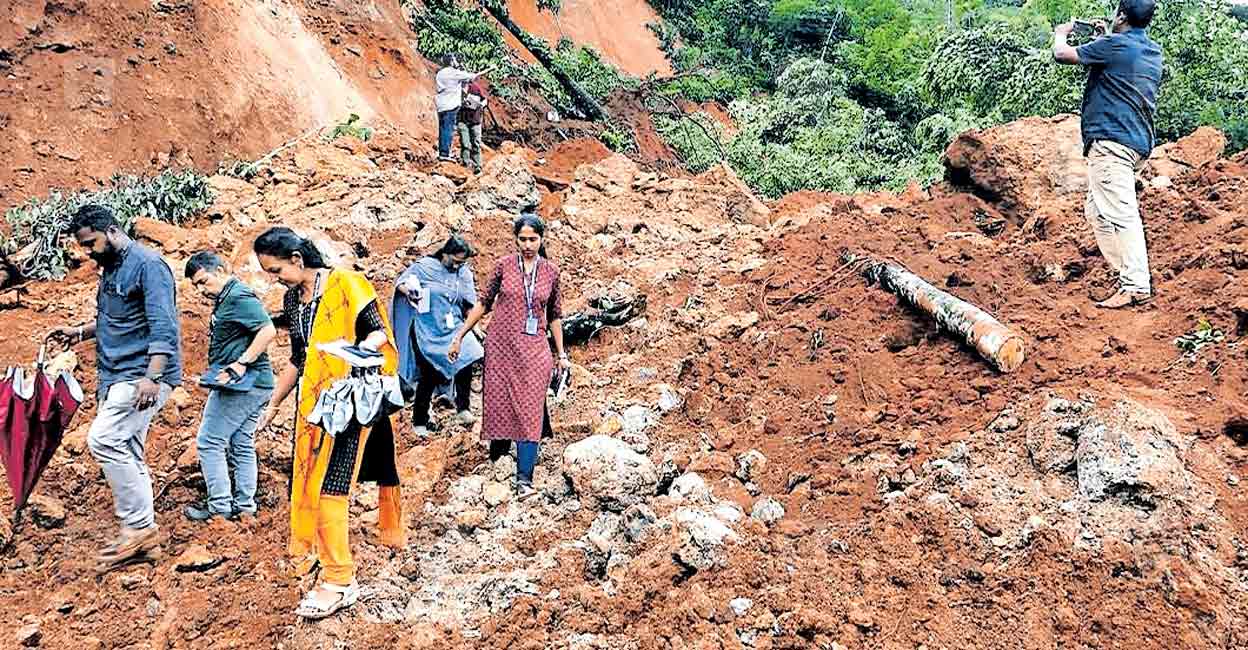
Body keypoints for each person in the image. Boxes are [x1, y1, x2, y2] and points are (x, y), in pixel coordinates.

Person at [251, 227, 404, 619]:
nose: (275, 278)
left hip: (350, 405)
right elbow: (299, 360)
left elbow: (379, 334)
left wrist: (360, 348)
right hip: (314, 410)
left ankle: (339, 580)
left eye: (276, 270)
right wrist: (272, 406)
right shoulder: (292, 299)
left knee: (329, 490)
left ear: (298, 260)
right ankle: (326, 561)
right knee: (308, 487)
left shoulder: (346, 284)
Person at [46, 204, 182, 567]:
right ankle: (145, 540)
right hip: (115, 374)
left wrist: (153, 377)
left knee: (103, 439)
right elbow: (114, 320)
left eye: (91, 244)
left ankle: (138, 529)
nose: (88, 253)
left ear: (112, 230)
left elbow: (164, 326)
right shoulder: (110, 269)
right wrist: (78, 333)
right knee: (128, 449)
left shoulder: (149, 266)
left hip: (140, 376)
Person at [449, 213, 570, 499]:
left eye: (533, 239)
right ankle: (498, 465)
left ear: (542, 239)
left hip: (535, 349)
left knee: (530, 407)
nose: (528, 245)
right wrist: (460, 335)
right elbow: (483, 303)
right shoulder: (503, 266)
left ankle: (524, 479)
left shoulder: (551, 272)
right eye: (523, 239)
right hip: (502, 346)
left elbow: (554, 316)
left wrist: (561, 354)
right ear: (515, 239)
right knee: (500, 402)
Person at [1053, 0, 1163, 309]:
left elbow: (1062, 54)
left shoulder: (1115, 45)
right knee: (1098, 211)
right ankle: (1127, 274)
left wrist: (1061, 34)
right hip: (1137, 142)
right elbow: (1119, 63)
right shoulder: (1151, 52)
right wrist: (1105, 38)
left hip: (1112, 142)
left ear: (1123, 16)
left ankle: (1136, 284)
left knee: (1121, 214)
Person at [183, 251, 277, 522]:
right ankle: (245, 506)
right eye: (196, 286)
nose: (201, 290)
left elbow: (268, 331)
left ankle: (220, 507)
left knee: (209, 441)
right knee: (241, 443)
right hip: (255, 384)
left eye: (203, 281)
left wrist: (240, 363)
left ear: (222, 270)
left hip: (244, 384)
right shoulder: (227, 298)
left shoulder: (237, 296)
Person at [391, 235, 483, 438]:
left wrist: (475, 328)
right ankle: (420, 420)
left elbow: (469, 304)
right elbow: (401, 283)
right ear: (445, 254)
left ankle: (463, 409)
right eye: (456, 261)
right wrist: (409, 292)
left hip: (454, 326)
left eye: (462, 262)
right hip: (427, 328)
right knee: (430, 372)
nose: (458, 266)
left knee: (468, 354)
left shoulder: (463, 273)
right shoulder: (424, 267)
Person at [435, 54, 489, 163]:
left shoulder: (440, 73)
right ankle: (445, 154)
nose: (456, 62)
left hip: (441, 104)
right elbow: (472, 76)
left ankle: (442, 152)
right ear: (451, 62)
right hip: (450, 105)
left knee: (442, 129)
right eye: (454, 60)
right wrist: (485, 71)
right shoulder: (453, 73)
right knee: (448, 129)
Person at [458, 78, 488, 172]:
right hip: (462, 119)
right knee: (465, 142)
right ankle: (465, 163)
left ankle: (477, 165)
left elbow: (484, 100)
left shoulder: (476, 88)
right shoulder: (456, 90)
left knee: (476, 142)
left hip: (475, 119)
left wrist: (481, 105)